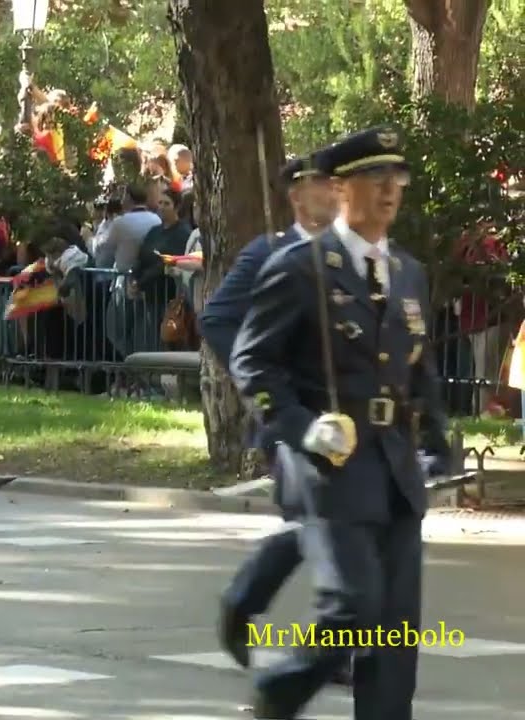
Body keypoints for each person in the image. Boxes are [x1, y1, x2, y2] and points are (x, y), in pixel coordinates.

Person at [230, 127, 451, 719]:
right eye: (374, 177)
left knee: (394, 635)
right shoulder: (301, 267)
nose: (389, 189)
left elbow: (417, 367)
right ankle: (277, 696)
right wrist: (302, 427)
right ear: (339, 188)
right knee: (354, 605)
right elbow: (252, 361)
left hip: (396, 469)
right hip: (332, 466)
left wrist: (437, 441)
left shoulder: (407, 271)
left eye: (397, 177)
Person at [199, 154, 342, 670]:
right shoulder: (270, 253)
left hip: (348, 419)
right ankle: (262, 614)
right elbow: (217, 319)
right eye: (321, 184)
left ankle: (262, 609)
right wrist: (259, 375)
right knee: (320, 524)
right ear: (297, 196)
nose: (333, 192)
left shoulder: (352, 256)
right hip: (292, 413)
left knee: (336, 526)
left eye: (336, 183)